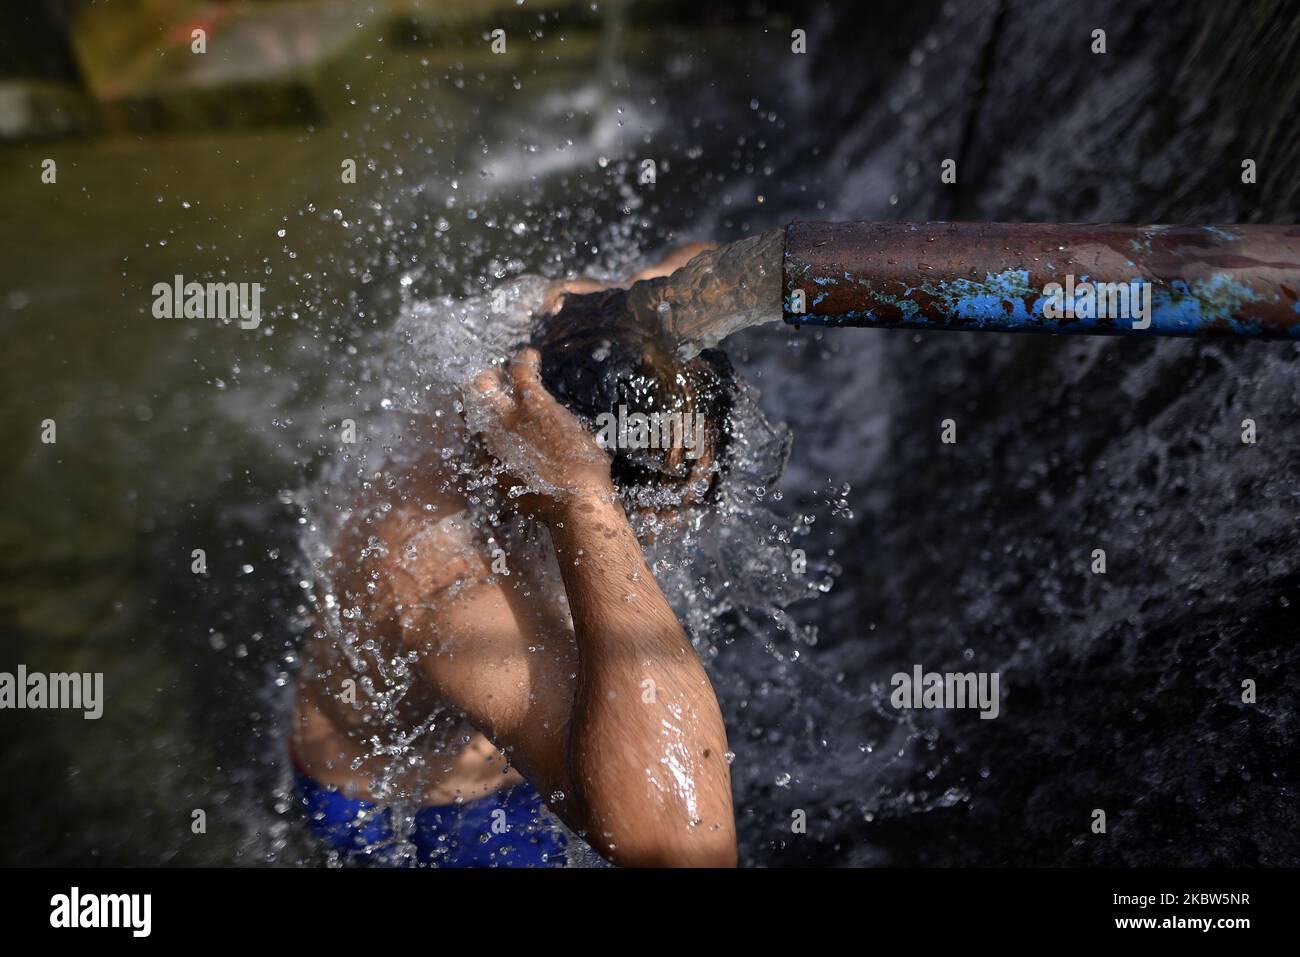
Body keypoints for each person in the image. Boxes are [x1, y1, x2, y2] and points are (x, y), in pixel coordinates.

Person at [290, 244, 740, 867]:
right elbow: (691, 853)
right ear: (556, 477)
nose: (686, 516)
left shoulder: (569, 337)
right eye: (669, 500)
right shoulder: (449, 586)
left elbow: (694, 263)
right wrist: (584, 502)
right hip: (430, 814)